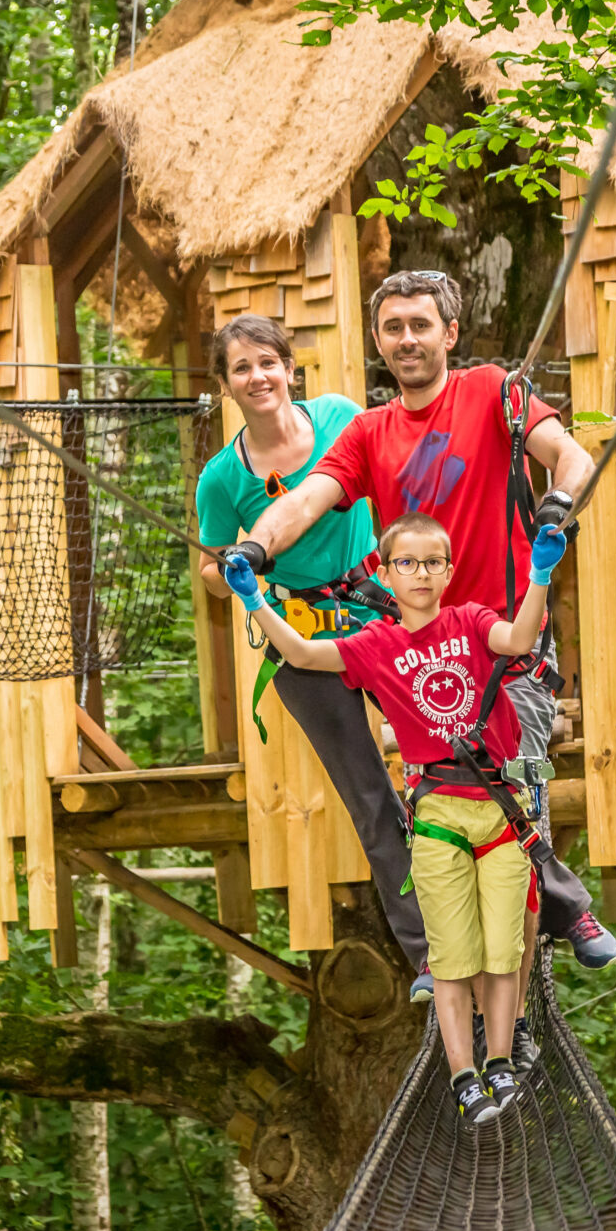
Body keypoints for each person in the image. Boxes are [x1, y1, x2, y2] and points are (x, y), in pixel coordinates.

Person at [218, 270, 616, 994]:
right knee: (441, 811)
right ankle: (488, 973)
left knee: (507, 788)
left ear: (450, 333)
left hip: (501, 638)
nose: (407, 338)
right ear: (378, 340)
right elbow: (308, 499)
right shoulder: (369, 432)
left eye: (420, 324)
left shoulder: (493, 392)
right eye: (393, 327)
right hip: (422, 645)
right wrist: (258, 547)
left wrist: (558, 501)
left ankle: (550, 947)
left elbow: (572, 453)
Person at [225, 511, 569, 1123]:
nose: (420, 573)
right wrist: (253, 599)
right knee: (450, 956)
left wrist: (540, 574)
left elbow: (518, 641)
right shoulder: (375, 645)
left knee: (504, 944)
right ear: (385, 573)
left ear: (448, 571)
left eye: (433, 562)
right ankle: (464, 1078)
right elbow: (302, 652)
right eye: (406, 563)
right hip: (439, 813)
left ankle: (500, 1064)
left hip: (499, 812)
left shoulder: (469, 622)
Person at [193, 315, 436, 998]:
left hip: (378, 606)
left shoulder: (338, 418)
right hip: (302, 632)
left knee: (450, 753)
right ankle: (426, 954)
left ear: (290, 369)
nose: (258, 377)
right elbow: (213, 566)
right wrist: (244, 579)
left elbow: (391, 476)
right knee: (367, 793)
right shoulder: (222, 477)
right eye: (242, 368)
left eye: (268, 362)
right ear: (226, 386)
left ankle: (504, 909)